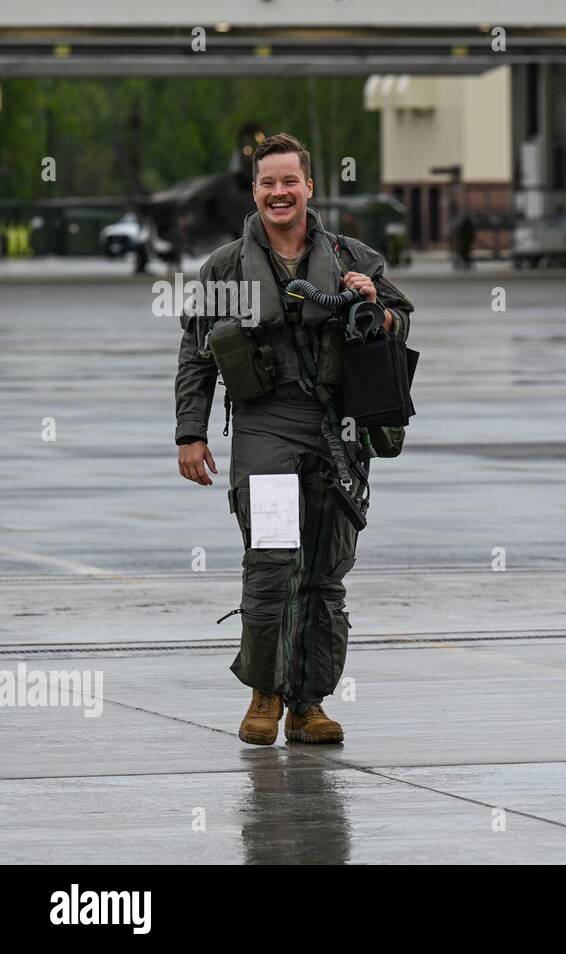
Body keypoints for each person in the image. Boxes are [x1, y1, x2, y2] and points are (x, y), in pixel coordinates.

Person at [174, 133, 414, 745]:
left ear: (309, 186)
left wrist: (375, 308)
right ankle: (265, 694)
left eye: (290, 181)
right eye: (267, 183)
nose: (279, 193)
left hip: (338, 431)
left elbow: (399, 320)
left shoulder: (353, 257)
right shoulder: (225, 269)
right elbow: (197, 356)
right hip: (266, 428)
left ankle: (310, 703)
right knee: (274, 562)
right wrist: (191, 433)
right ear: (254, 192)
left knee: (326, 572)